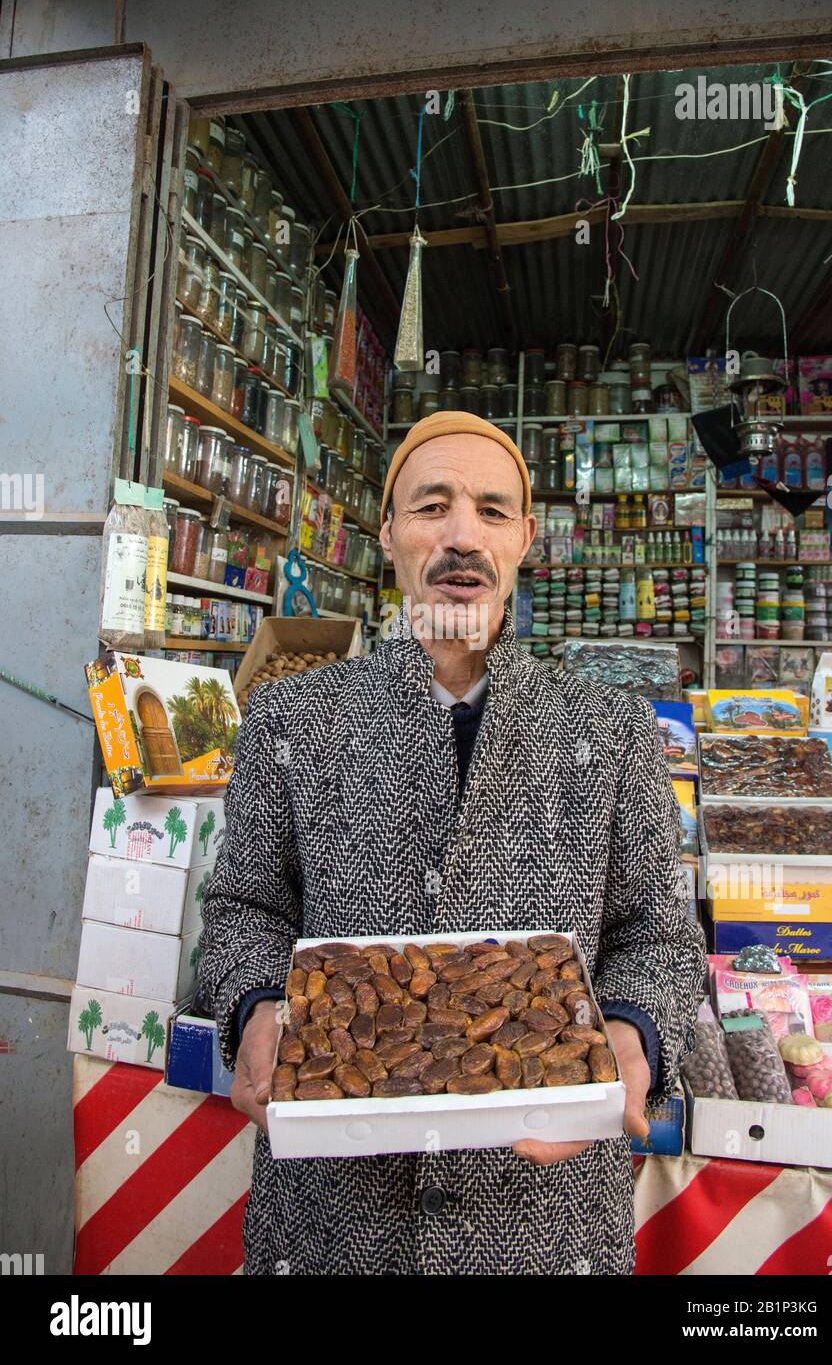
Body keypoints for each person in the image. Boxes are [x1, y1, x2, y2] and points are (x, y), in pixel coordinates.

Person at [198, 410, 706, 1275]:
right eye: (431, 506)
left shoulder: (609, 729)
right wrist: (253, 1007)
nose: (462, 535)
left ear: (525, 540)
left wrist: (633, 1036)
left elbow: (657, 935)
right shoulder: (294, 720)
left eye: (492, 510)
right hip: (335, 1218)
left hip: (544, 1223)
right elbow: (244, 909)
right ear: (387, 533)